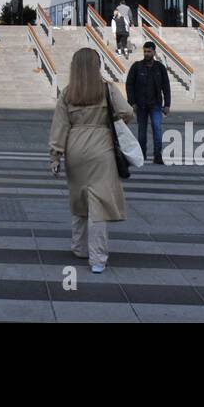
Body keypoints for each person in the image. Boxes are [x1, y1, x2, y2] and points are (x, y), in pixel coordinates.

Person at [49, 48, 135, 273]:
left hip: (75, 147)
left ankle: (79, 246)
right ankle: (97, 259)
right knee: (98, 204)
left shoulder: (68, 93)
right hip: (101, 146)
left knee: (79, 198)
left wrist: (55, 156)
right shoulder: (106, 89)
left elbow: (59, 126)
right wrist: (111, 120)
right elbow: (127, 112)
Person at [125, 40, 171, 164]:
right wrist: (132, 102)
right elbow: (129, 84)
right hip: (141, 105)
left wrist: (167, 104)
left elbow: (166, 86)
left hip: (156, 105)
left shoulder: (160, 68)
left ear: (154, 52)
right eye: (145, 51)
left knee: (157, 130)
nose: (146, 54)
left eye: (149, 51)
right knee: (141, 131)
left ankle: (157, 156)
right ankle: (142, 155)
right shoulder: (136, 66)